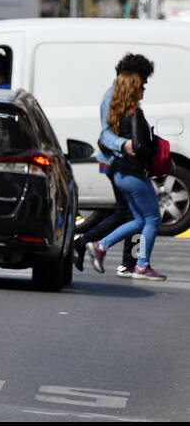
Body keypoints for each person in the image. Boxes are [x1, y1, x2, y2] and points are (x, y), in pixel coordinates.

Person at [74, 54, 149, 275]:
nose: (144, 87)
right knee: (133, 215)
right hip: (118, 163)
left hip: (121, 163)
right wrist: (125, 145)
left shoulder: (122, 93)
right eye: (142, 81)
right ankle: (126, 260)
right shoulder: (114, 96)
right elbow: (106, 134)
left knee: (127, 214)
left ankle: (91, 245)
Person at [92, 71, 165, 280]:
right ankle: (142, 265)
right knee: (153, 218)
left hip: (119, 173)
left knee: (139, 219)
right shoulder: (134, 113)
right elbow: (141, 146)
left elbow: (107, 136)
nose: (144, 89)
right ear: (133, 89)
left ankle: (101, 246)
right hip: (134, 173)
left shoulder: (116, 114)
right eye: (141, 86)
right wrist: (154, 149)